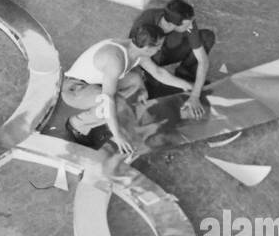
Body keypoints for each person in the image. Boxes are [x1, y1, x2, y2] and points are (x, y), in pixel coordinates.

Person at [60, 24, 204, 161]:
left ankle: (109, 116)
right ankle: (78, 123)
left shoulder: (136, 48)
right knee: (114, 105)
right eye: (159, 46)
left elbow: (158, 72)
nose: (160, 49)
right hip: (75, 89)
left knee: (135, 79)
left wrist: (192, 88)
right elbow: (108, 99)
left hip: (96, 81)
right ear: (147, 48)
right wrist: (118, 136)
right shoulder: (115, 59)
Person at [131, 0, 215, 103]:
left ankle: (185, 74)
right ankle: (153, 83)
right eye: (188, 24)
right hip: (149, 57)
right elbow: (138, 56)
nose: (191, 25)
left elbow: (203, 60)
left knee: (207, 37)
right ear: (173, 25)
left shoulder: (183, 19)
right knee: (156, 89)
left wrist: (195, 94)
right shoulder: (144, 23)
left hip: (169, 50)